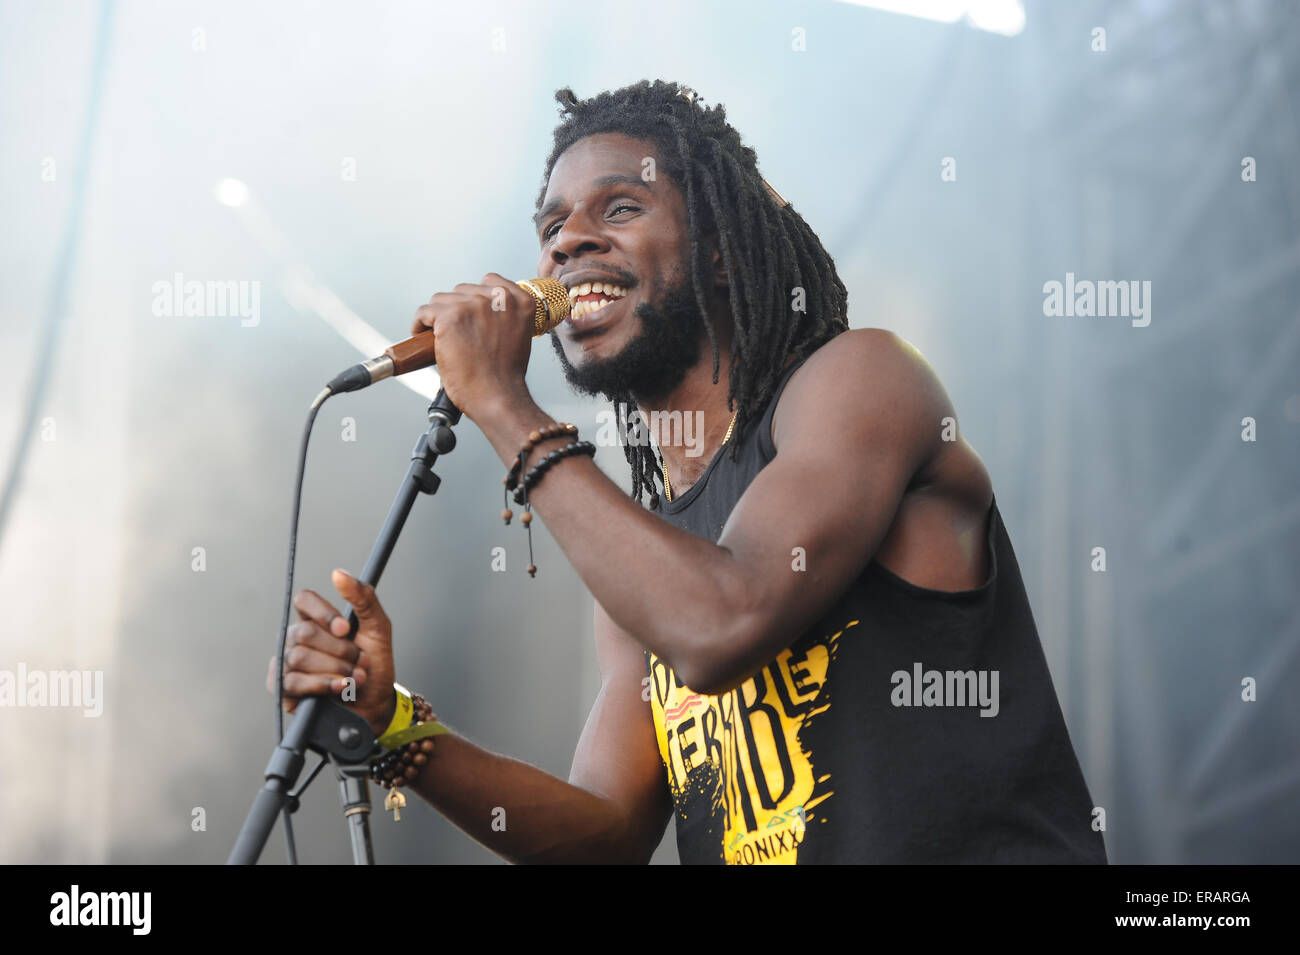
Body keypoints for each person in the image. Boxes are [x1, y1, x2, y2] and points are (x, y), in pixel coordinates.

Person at [268, 80, 1108, 865]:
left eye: (620, 207)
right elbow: (606, 833)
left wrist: (502, 404)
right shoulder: (646, 560)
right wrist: (395, 728)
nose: (568, 241)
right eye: (551, 227)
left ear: (717, 251)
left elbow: (719, 625)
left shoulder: (864, 380)